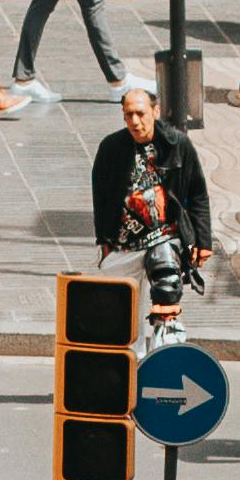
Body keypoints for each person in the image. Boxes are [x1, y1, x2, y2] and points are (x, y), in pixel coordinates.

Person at [90, 71, 212, 313]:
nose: (135, 121)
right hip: (123, 244)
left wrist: (203, 240)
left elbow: (197, 194)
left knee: (166, 286)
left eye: (141, 114)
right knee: (121, 317)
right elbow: (100, 198)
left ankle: (166, 334)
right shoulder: (110, 148)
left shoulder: (178, 144)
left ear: (155, 113)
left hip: (164, 235)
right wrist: (103, 241)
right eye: (129, 115)